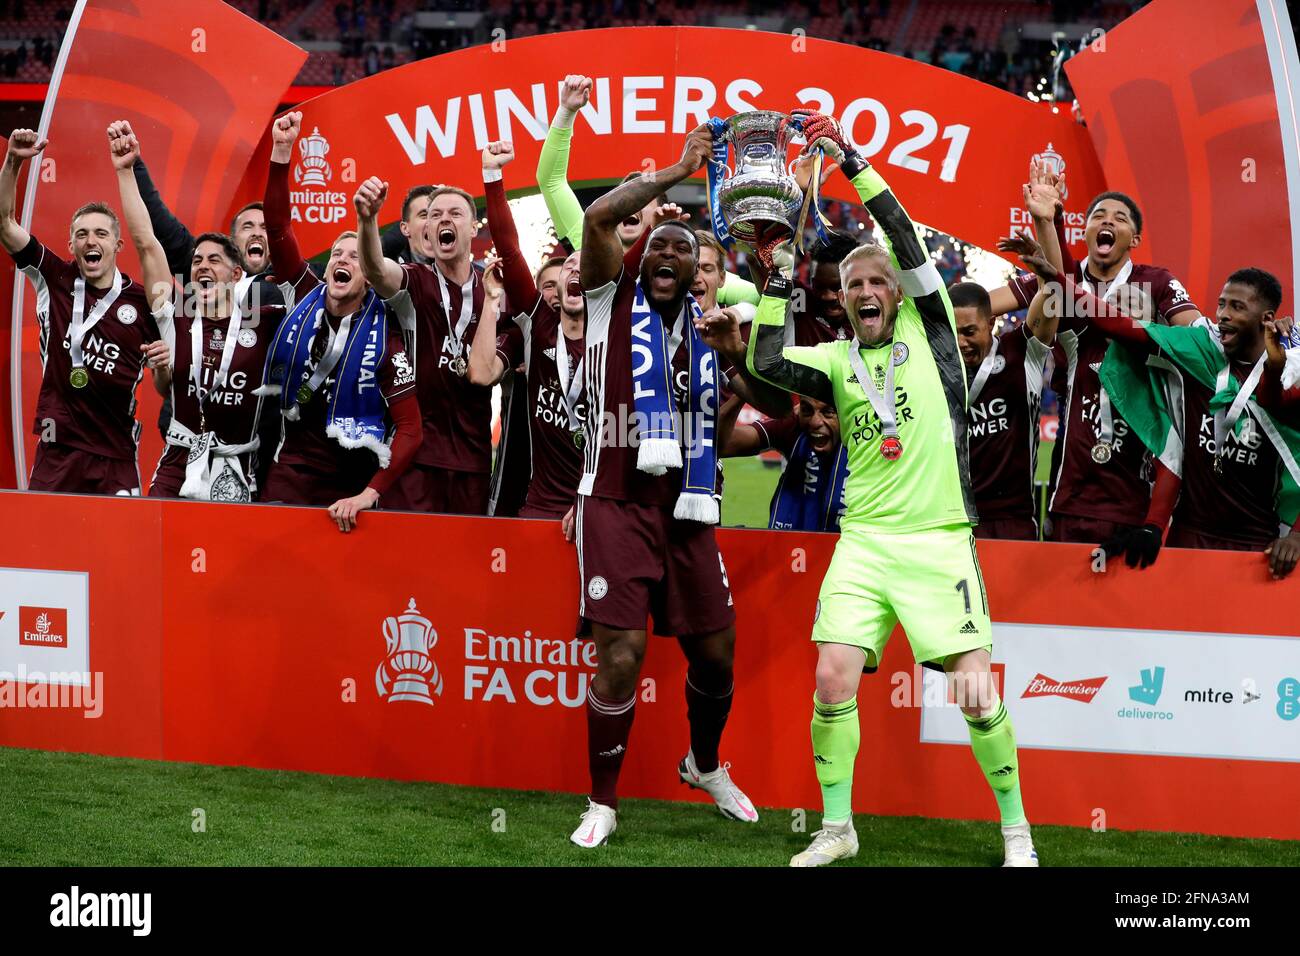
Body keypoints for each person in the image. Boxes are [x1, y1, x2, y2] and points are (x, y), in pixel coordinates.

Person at [706, 110, 1037, 867]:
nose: (863, 290)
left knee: (976, 691)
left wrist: (852, 160)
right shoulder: (831, 359)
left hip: (938, 542)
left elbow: (906, 238)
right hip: (864, 543)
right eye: (852, 282)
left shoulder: (934, 335)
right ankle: (837, 827)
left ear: (897, 293)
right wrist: (779, 270)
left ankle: (1015, 827)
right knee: (830, 676)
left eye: (875, 280)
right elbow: (764, 360)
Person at [566, 124, 758, 849]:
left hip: (687, 510)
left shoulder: (716, 334)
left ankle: (704, 764)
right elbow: (595, 218)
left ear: (705, 273)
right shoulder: (609, 303)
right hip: (614, 500)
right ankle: (604, 801)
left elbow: (737, 416)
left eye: (688, 251)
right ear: (638, 260)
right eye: (660, 247)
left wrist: (736, 364)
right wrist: (677, 172)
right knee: (621, 653)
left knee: (717, 652)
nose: (671, 255)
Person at [1021, 254, 1300, 580]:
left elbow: (1275, 401)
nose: (1223, 315)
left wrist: (1295, 535)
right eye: (1221, 304)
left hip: (1257, 541)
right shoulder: (1201, 349)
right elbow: (1117, 323)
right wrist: (1055, 277)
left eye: (1237, 307)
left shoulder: (1291, 371)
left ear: (1266, 317)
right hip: (1189, 534)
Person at [257, 111, 422, 531]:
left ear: (371, 276)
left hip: (350, 487)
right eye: (336, 254)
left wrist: (370, 492)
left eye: (355, 257)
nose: (341, 260)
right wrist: (281, 151)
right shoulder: (303, 291)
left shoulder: (387, 334)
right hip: (289, 476)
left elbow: (410, 428)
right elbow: (277, 227)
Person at [106, 121, 280, 501]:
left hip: (239, 468)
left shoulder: (268, 318)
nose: (201, 265)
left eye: (213, 260)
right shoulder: (176, 316)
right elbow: (147, 244)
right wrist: (125, 171)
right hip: (178, 462)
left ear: (236, 274)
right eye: (196, 259)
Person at [1, 128, 169, 495]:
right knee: (43, 550)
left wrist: (165, 366)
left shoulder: (142, 302)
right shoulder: (54, 277)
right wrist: (13, 161)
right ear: (71, 244)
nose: (90, 241)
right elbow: (5, 224)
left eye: (101, 234)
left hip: (116, 455)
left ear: (117, 244)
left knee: (118, 552)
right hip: (57, 448)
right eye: (81, 234)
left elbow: (165, 384)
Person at [537, 74, 759, 307]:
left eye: (643, 200)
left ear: (661, 211)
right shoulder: (587, 241)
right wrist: (566, 111)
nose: (631, 205)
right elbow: (551, 181)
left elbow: (758, 297)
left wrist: (738, 313)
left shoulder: (685, 264)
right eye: (626, 197)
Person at [355, 173, 494, 515]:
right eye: (434, 215)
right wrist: (367, 219)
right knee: (407, 564)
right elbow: (374, 270)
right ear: (428, 234)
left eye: (455, 213)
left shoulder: (492, 291)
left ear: (474, 228)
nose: (444, 219)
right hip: (416, 460)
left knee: (462, 568)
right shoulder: (415, 282)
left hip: (473, 461)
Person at [469, 140, 587, 519]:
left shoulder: (614, 325)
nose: (573, 272)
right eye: (567, 267)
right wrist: (492, 177)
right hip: (541, 505)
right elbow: (509, 248)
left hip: (596, 505)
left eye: (581, 269)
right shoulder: (537, 325)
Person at [950, 277, 1052, 540]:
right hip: (952, 521)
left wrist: (1044, 253)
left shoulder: (1020, 351)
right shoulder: (940, 366)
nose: (961, 342)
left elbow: (1053, 292)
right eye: (954, 332)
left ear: (991, 323)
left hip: (1012, 520)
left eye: (970, 332)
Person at [723, 394, 848, 533]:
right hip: (789, 548)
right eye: (807, 410)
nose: (815, 422)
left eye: (828, 412)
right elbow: (723, 444)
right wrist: (742, 391)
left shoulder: (869, 437)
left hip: (853, 549)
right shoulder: (793, 425)